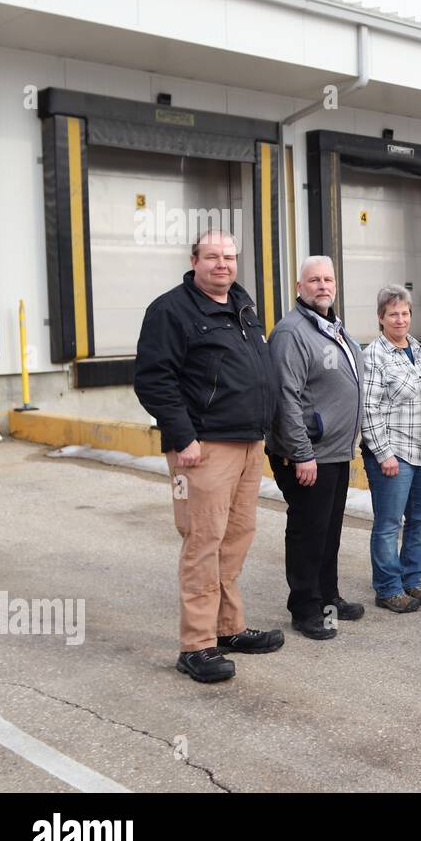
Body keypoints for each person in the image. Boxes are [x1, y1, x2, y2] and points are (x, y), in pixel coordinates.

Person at [134, 230, 282, 684]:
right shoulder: (171, 310)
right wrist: (184, 437)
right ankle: (196, 645)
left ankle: (228, 627)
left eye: (230, 256)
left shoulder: (243, 307)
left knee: (236, 537)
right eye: (213, 256)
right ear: (194, 260)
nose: (223, 264)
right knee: (203, 541)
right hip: (204, 448)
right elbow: (154, 379)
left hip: (248, 442)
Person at [267, 255, 366, 641]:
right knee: (309, 531)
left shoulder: (333, 328)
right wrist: (302, 452)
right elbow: (285, 398)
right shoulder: (292, 333)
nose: (323, 285)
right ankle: (305, 607)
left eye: (328, 279)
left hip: (337, 453)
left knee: (329, 530)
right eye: (314, 280)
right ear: (299, 288)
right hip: (309, 455)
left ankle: (328, 597)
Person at [361, 285, 421, 614]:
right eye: (393, 313)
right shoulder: (374, 356)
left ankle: (412, 579)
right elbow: (369, 410)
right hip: (394, 453)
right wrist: (383, 454)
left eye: (405, 313)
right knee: (388, 523)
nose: (400, 319)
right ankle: (388, 587)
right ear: (381, 318)